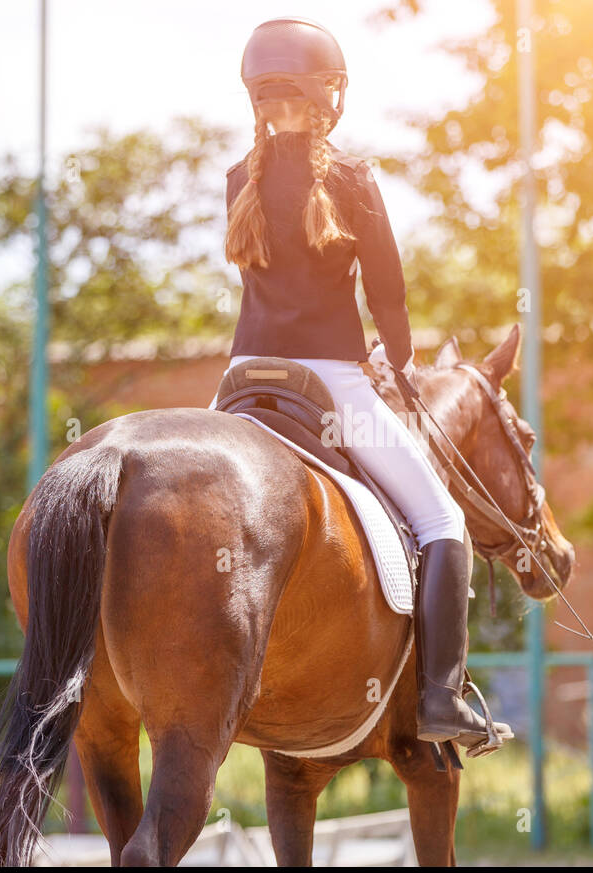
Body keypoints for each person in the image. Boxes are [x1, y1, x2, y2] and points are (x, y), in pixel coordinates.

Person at [215, 17, 506, 750]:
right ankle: (441, 699)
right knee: (443, 522)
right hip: (333, 385)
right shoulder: (352, 179)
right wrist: (399, 365)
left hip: (240, 380)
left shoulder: (234, 181)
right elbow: (391, 296)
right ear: (327, 95)